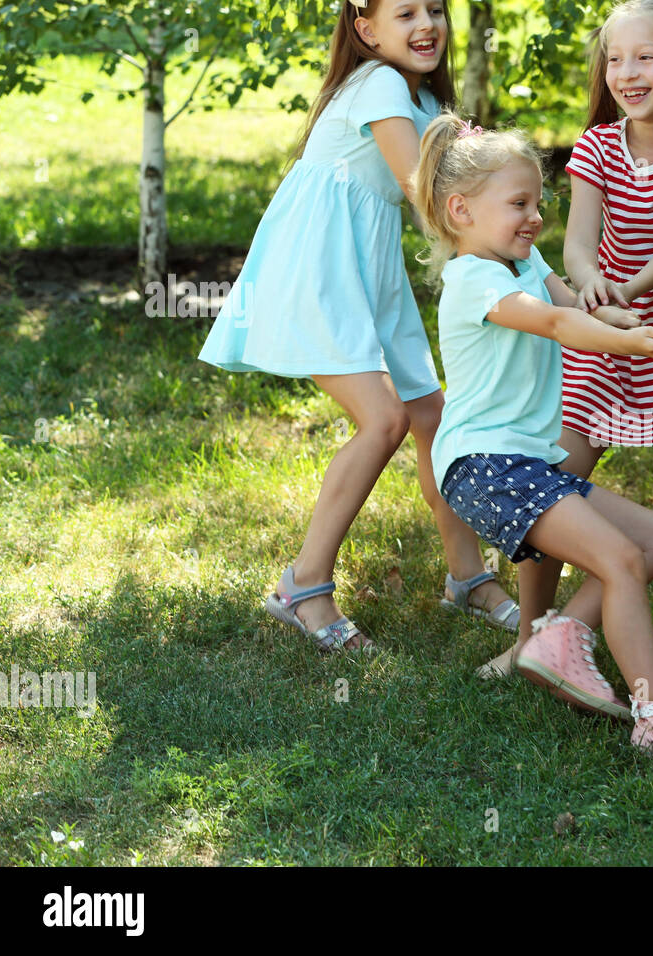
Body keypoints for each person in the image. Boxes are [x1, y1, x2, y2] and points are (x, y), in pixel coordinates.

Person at [199, 0, 521, 652]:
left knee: (433, 418)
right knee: (384, 420)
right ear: (366, 30)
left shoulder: (424, 103)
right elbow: (424, 189)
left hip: (369, 274)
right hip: (317, 268)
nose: (427, 24)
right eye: (405, 13)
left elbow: (476, 188)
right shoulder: (377, 83)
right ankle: (303, 585)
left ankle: (467, 576)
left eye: (435, 8)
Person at [413, 111, 653, 755]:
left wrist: (648, 325)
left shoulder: (522, 259)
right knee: (619, 560)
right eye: (518, 204)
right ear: (461, 211)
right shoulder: (474, 278)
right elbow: (559, 328)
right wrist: (629, 341)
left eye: (537, 202)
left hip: (522, 463)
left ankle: (554, 640)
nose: (534, 217)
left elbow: (576, 307)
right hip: (484, 468)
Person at [478, 0, 653, 731]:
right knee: (551, 486)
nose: (626, 72)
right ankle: (535, 638)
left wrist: (625, 292)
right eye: (615, 59)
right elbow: (575, 245)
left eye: (645, 57)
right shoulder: (597, 144)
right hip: (608, 340)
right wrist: (594, 289)